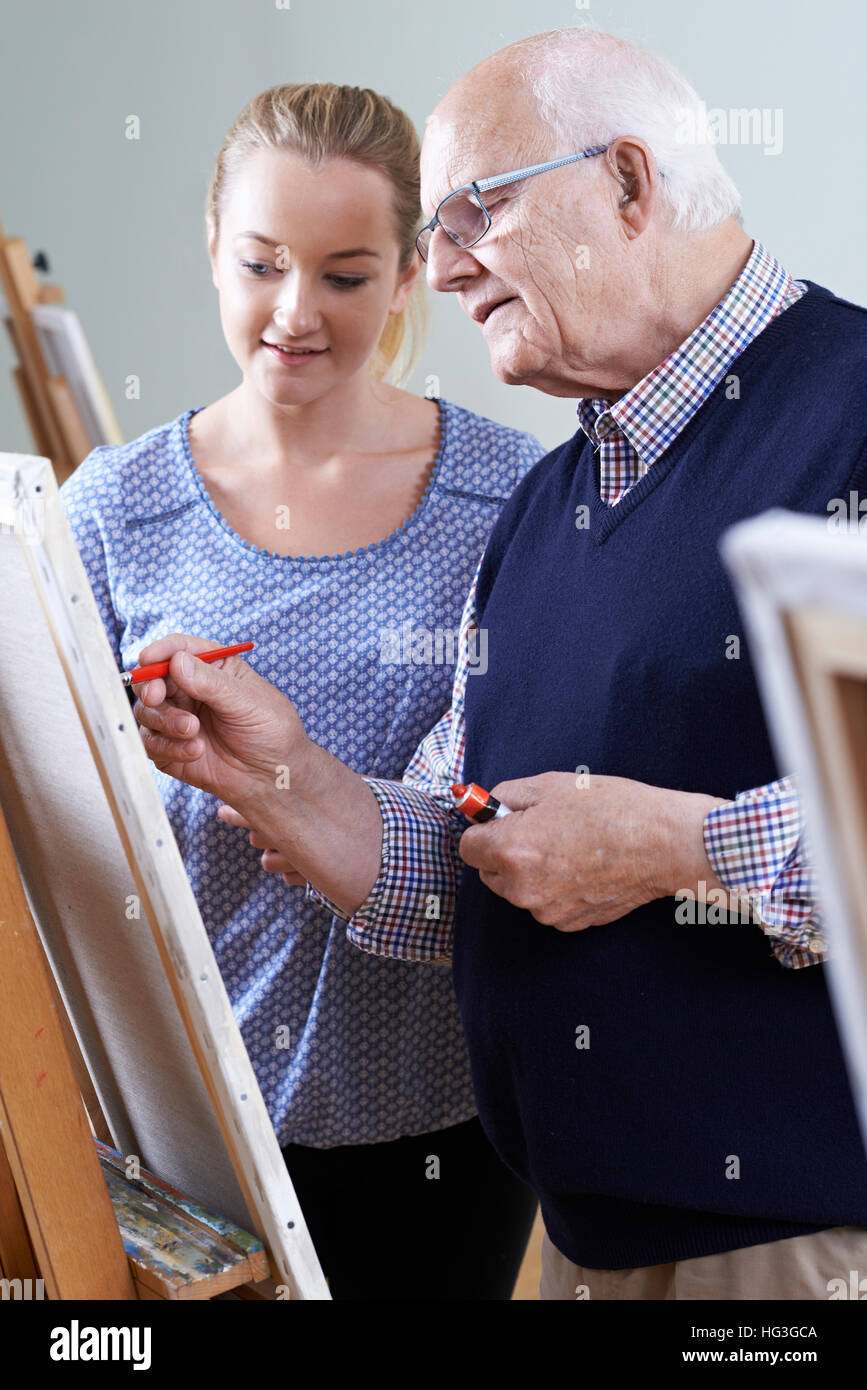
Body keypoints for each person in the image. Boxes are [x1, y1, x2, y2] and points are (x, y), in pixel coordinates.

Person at [130, 28, 867, 1300]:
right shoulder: (545, 504)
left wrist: (678, 849)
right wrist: (282, 775)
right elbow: (467, 860)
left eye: (476, 209)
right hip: (573, 1233)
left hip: (794, 1249)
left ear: (628, 184)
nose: (443, 264)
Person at [60, 81, 545, 1300]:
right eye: (262, 263)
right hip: (184, 1136)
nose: (295, 312)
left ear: (411, 271)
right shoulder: (111, 513)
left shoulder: (513, 499)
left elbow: (519, 807)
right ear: (213, 250)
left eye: (343, 273)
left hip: (440, 1126)